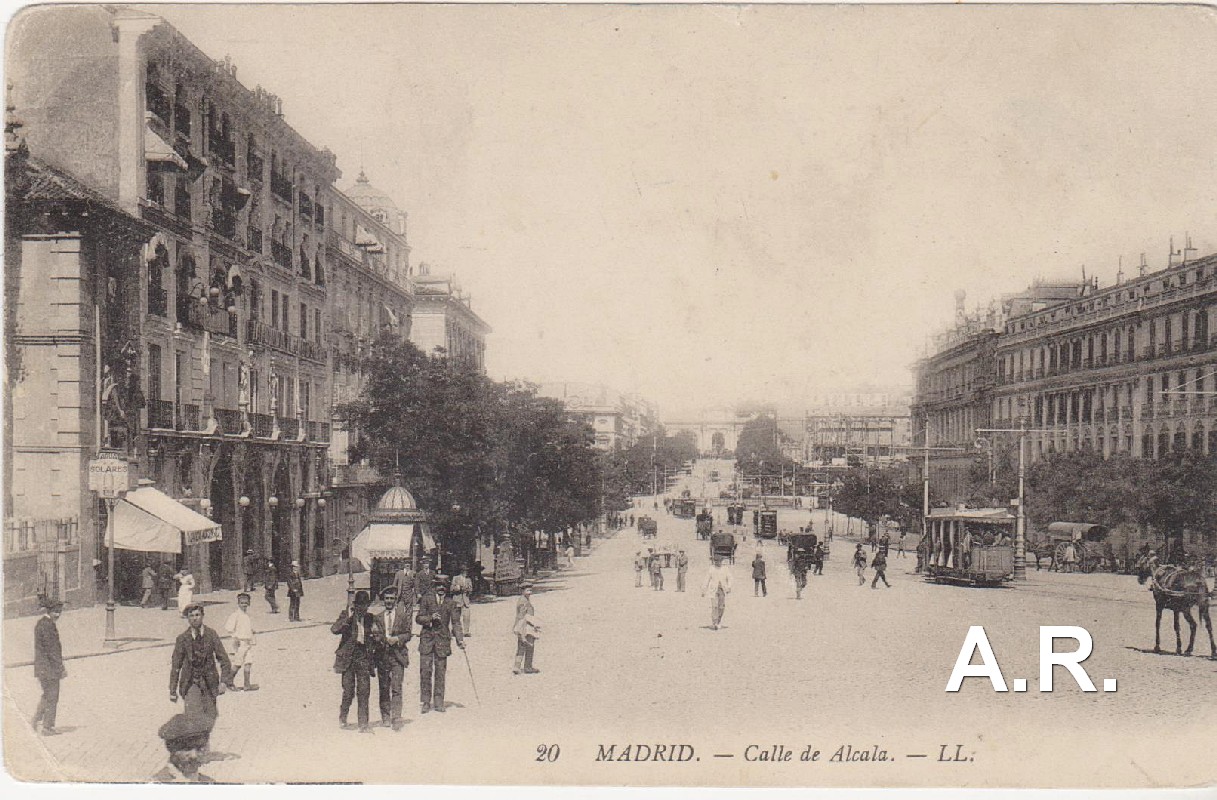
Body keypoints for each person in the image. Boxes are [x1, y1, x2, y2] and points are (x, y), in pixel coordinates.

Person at [169, 603, 235, 751]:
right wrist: (172, 690)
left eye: (197, 615)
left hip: (209, 683)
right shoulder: (182, 639)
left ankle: (203, 742)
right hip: (190, 682)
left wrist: (224, 681)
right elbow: (176, 666)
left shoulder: (212, 635)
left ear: (202, 616)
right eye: (191, 616)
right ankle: (194, 749)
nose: (194, 618)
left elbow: (224, 659)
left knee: (210, 715)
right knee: (192, 715)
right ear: (187, 619)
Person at [332, 590, 382, 733]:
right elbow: (334, 629)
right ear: (355, 606)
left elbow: (378, 636)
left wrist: (376, 636)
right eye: (360, 605)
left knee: (364, 690)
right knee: (348, 691)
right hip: (348, 657)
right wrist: (346, 619)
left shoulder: (371, 619)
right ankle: (343, 716)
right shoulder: (347, 617)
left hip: (363, 657)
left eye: (365, 605)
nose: (362, 608)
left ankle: (363, 724)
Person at [416, 576, 465, 712]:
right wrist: (429, 619)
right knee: (425, 671)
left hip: (442, 641)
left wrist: (459, 639)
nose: (441, 588)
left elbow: (456, 622)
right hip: (426, 640)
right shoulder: (426, 599)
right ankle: (426, 701)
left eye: (444, 586)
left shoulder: (451, 603)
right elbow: (418, 618)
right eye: (438, 585)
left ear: (447, 587)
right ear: (434, 586)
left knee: (440, 672)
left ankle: (438, 702)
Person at [376, 586, 410, 730]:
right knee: (384, 688)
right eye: (386, 599)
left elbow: (408, 634)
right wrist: (381, 639)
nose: (389, 601)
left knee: (396, 687)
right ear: (383, 600)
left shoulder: (402, 616)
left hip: (398, 656)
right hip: (383, 656)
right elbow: (375, 635)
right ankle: (385, 716)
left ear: (395, 600)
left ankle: (396, 717)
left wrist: (396, 639)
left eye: (391, 598)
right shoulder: (378, 617)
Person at [32, 598, 65, 736]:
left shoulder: (42, 624)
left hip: (42, 668)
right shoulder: (48, 626)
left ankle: (36, 720)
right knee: (53, 696)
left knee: (47, 695)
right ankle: (47, 727)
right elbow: (52, 650)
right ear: (49, 611)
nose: (57, 615)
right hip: (49, 668)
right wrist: (60, 668)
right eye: (55, 612)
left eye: (59, 612)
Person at [153, 713, 216, 783]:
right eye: (187, 749)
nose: (194, 755)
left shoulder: (210, 782)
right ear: (172, 749)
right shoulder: (157, 783)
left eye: (199, 749)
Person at [224, 593, 258, 691]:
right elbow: (229, 628)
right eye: (242, 603)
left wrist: (252, 631)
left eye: (246, 603)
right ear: (238, 603)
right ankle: (229, 682)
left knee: (248, 662)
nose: (244, 605)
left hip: (248, 643)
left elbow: (247, 627)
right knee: (237, 663)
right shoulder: (235, 615)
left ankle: (247, 685)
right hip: (240, 643)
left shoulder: (246, 615)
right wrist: (235, 638)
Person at [513, 583, 540, 674]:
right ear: (522, 591)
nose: (529, 593)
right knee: (528, 646)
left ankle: (518, 667)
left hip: (526, 625)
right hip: (525, 626)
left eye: (530, 590)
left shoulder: (524, 600)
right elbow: (522, 616)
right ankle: (526, 667)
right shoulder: (523, 602)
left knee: (522, 646)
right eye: (527, 590)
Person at [701, 556, 733, 630]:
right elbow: (707, 579)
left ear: (721, 561)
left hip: (722, 590)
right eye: (716, 561)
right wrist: (704, 589)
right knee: (714, 606)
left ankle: (719, 621)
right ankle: (714, 622)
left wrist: (729, 586)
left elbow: (730, 578)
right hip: (713, 590)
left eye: (719, 561)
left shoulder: (725, 569)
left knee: (721, 607)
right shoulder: (711, 569)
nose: (717, 562)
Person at [450, 567, 473, 637]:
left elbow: (471, 589)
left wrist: (468, 589)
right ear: (461, 571)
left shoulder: (468, 580)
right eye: (465, 571)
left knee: (467, 616)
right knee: (456, 617)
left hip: (465, 601)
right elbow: (451, 589)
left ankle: (466, 631)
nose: (466, 573)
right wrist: (458, 588)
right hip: (457, 599)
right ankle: (455, 631)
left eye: (467, 571)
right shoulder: (455, 578)